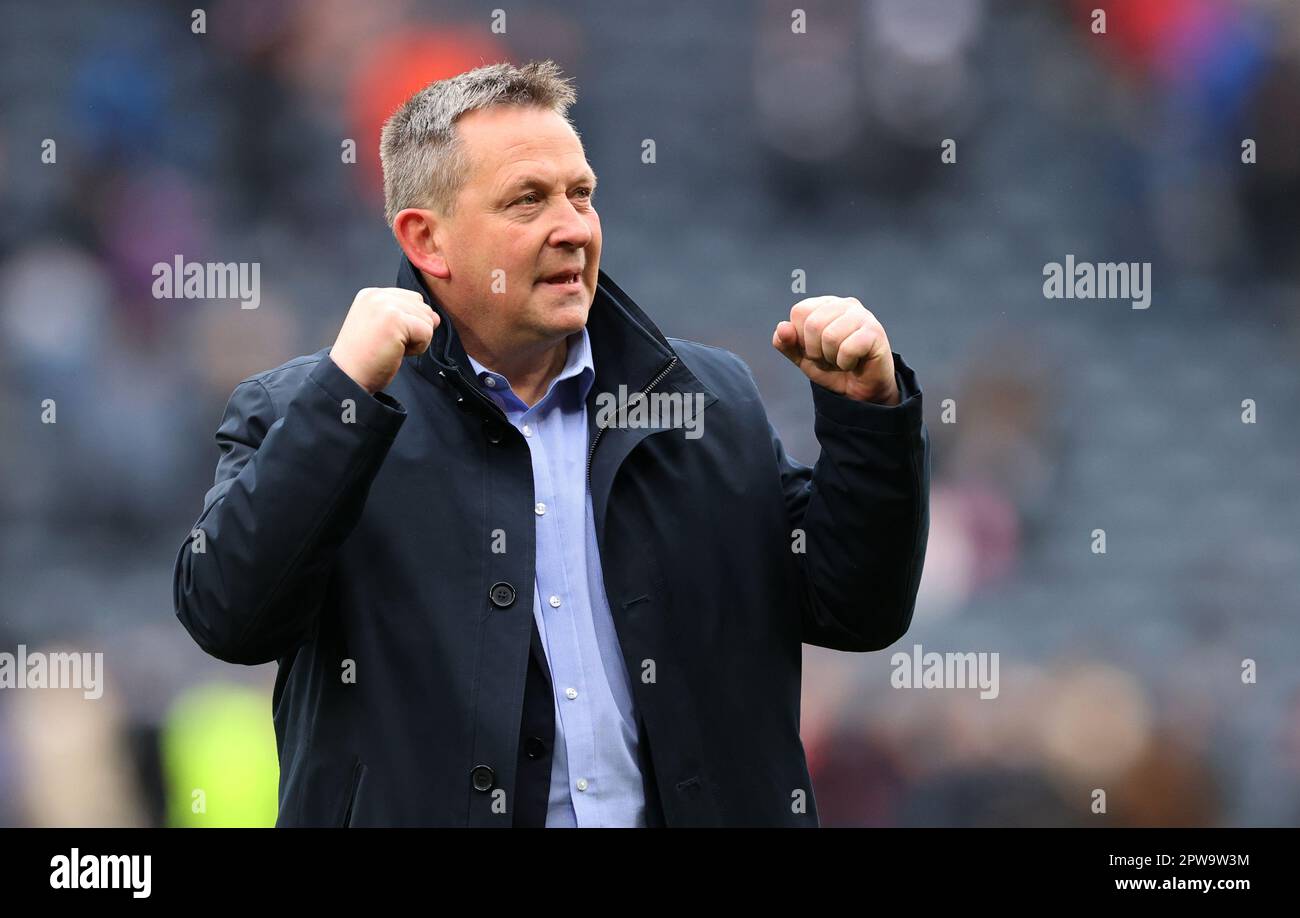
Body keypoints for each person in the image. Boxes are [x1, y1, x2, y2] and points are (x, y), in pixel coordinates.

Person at [172, 60, 931, 827]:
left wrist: (868, 418)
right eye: (527, 201)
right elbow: (231, 617)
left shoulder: (705, 401)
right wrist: (341, 402)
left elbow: (857, 610)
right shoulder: (307, 411)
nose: (572, 226)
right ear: (426, 240)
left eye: (581, 194)